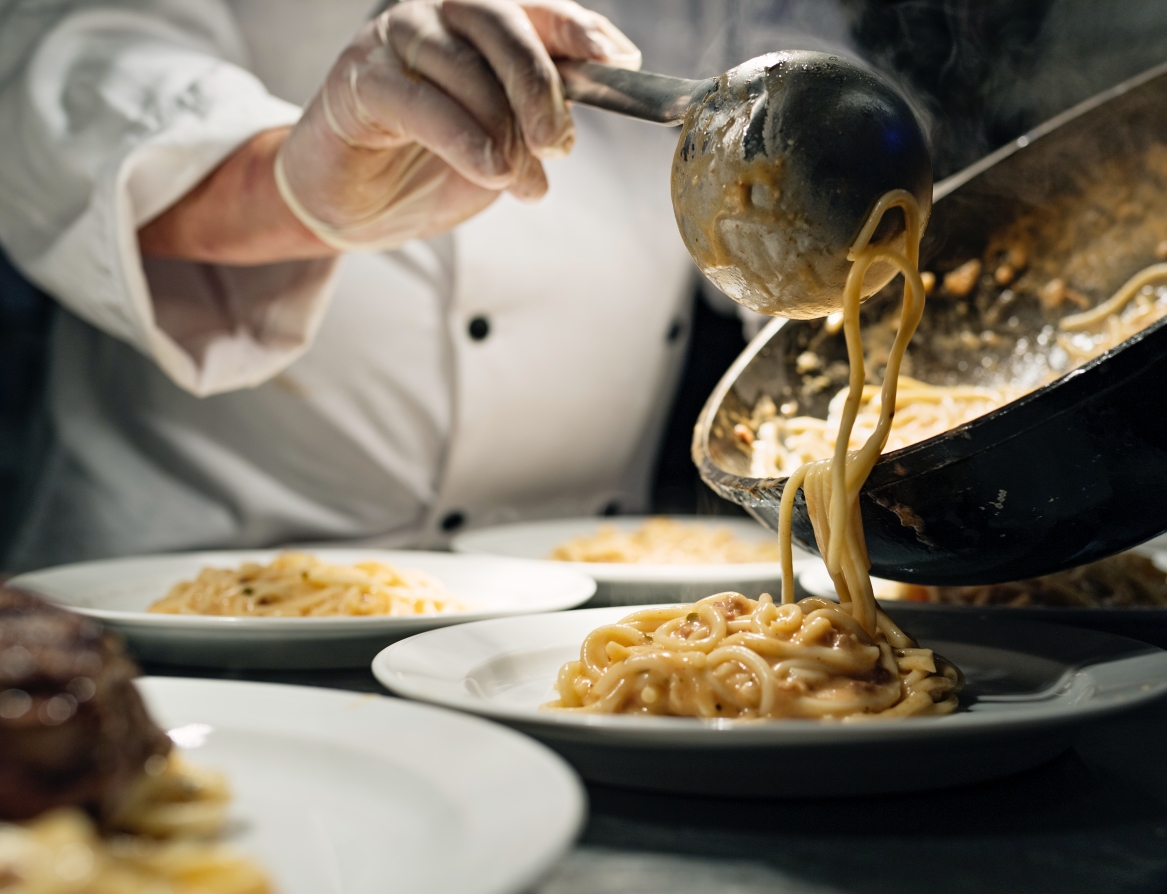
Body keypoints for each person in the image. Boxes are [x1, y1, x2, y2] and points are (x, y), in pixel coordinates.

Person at [0, 0, 851, 571]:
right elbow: (58, 91)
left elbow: (790, 119)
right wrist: (292, 188)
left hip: (593, 596)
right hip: (189, 602)